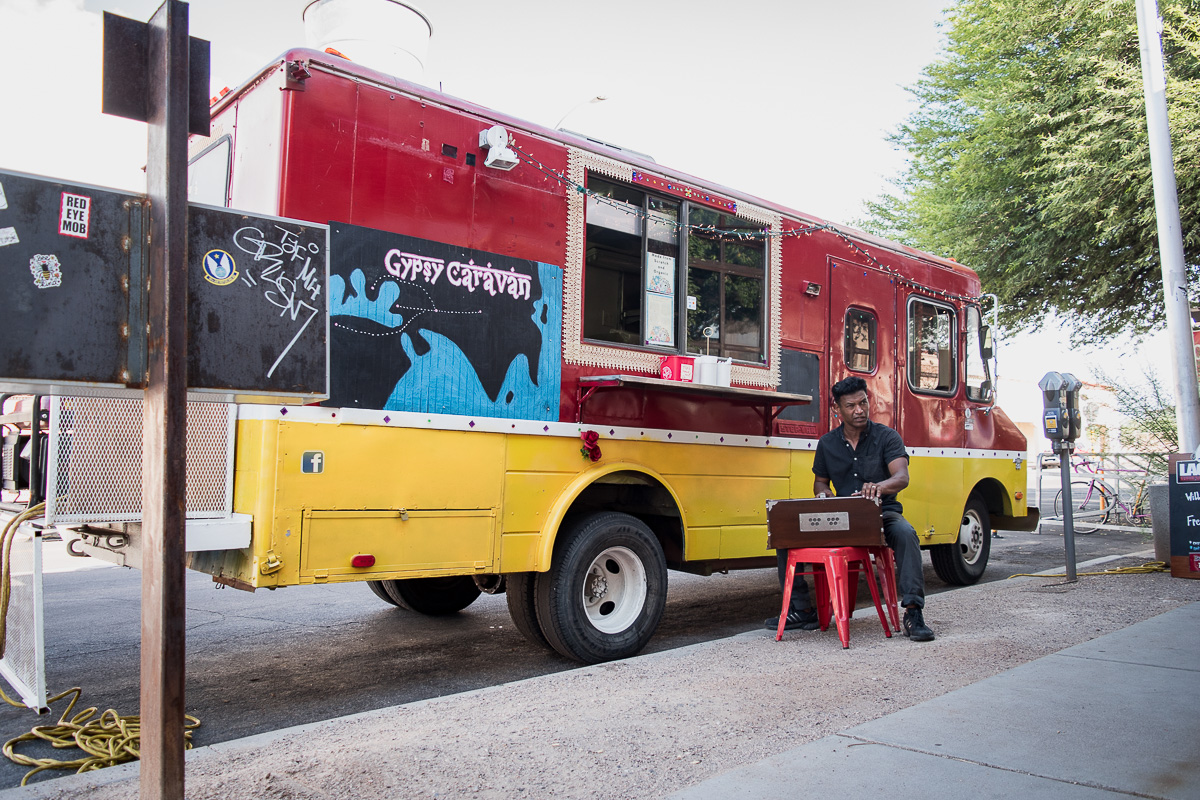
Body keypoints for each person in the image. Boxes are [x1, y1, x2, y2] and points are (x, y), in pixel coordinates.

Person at [764, 375, 935, 641]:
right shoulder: (827, 444)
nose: (859, 410)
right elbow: (820, 483)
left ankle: (913, 613)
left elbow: (901, 477)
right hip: (841, 518)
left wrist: (877, 487)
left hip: (881, 514)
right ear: (837, 410)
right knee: (785, 533)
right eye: (851, 405)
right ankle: (802, 609)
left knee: (905, 533)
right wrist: (824, 495)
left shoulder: (887, 437)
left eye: (863, 403)